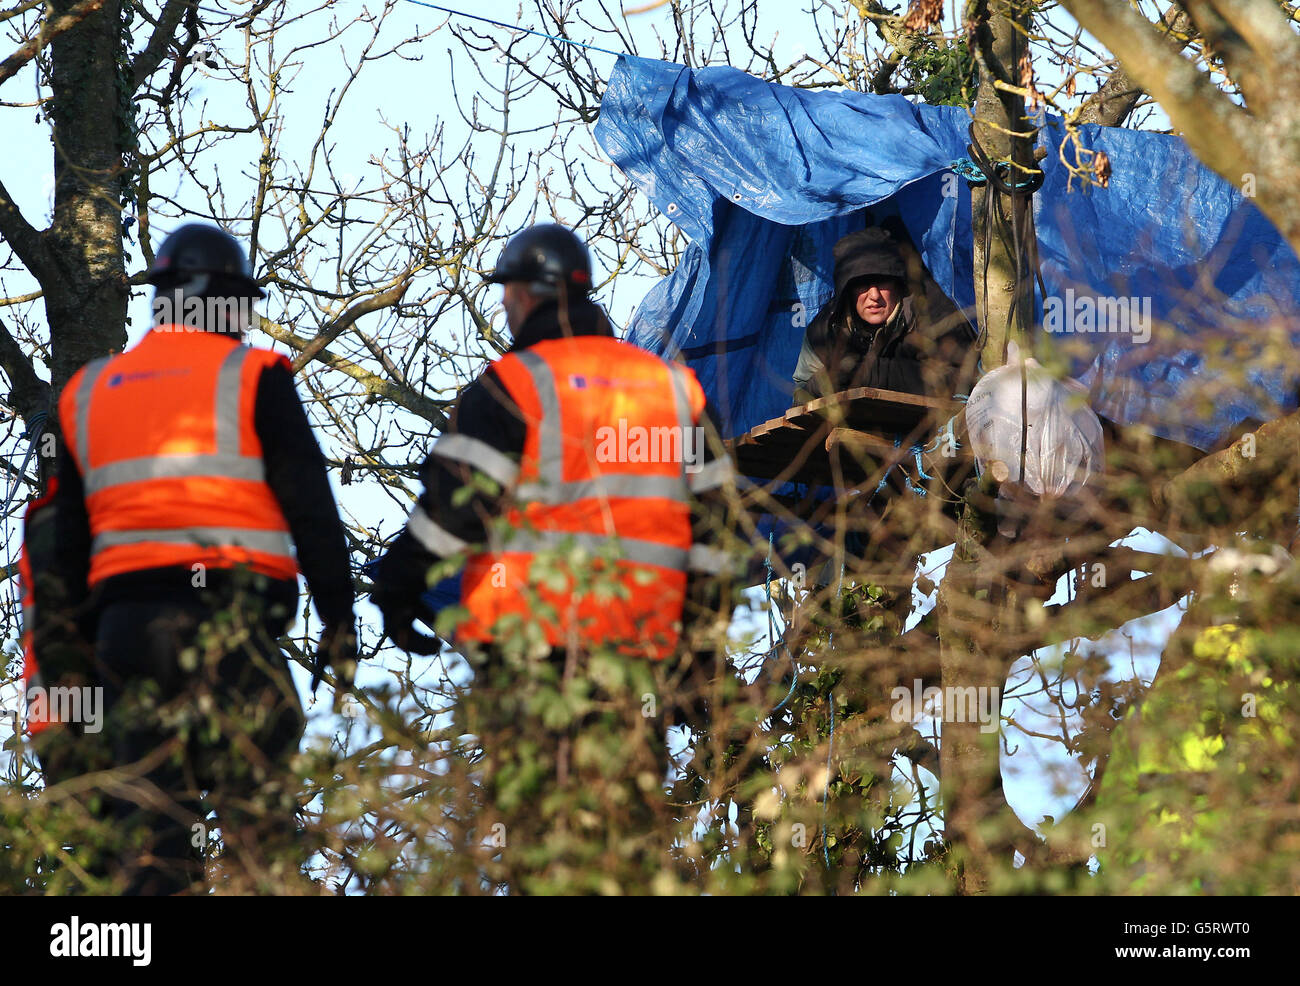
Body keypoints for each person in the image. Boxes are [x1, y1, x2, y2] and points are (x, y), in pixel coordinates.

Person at [372, 222, 736, 892]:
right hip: (636, 655)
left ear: (519, 295)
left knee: (539, 843)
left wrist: (394, 585)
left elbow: (456, 508)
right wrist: (699, 652)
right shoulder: (670, 389)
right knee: (628, 841)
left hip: (532, 652)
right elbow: (714, 535)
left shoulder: (511, 384)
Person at [50, 222, 358, 895]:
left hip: (126, 639)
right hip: (229, 631)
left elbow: (61, 555)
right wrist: (339, 618)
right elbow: (310, 503)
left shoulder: (88, 393)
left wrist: (68, 676)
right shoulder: (256, 376)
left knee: (151, 834)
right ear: (228, 301)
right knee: (260, 818)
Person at [791, 226, 977, 406]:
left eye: (882, 284)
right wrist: (823, 383)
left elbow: (965, 383)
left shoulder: (933, 312)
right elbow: (800, 396)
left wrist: (874, 374)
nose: (874, 296)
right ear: (847, 291)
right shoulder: (826, 329)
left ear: (898, 284)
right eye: (862, 285)